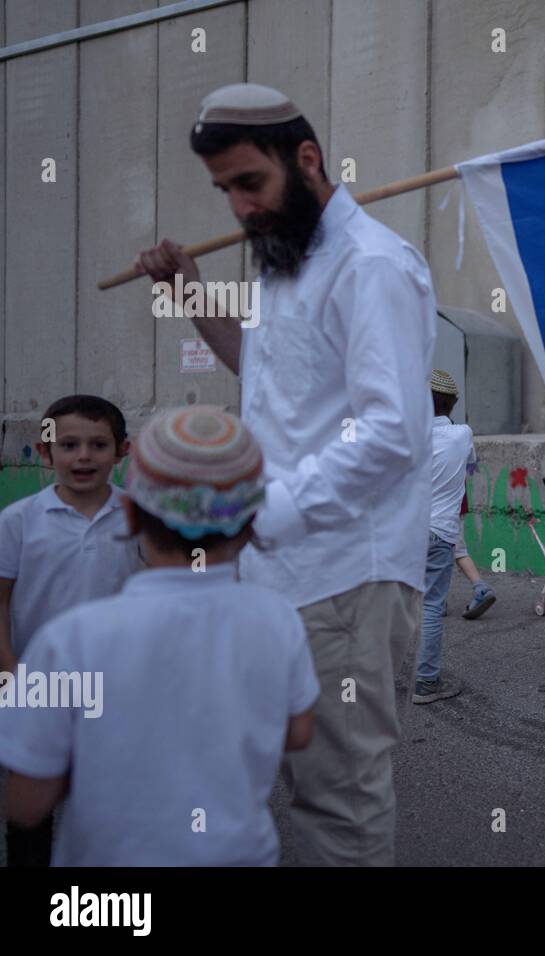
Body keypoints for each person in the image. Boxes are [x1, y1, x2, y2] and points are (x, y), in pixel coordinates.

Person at [133, 83, 435, 864]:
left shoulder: (372, 266)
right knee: (279, 784)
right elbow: (269, 383)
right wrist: (190, 297)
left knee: (339, 805)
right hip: (280, 577)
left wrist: (260, 512)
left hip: (344, 581)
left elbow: (392, 434)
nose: (238, 209)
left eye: (250, 183)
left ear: (305, 160)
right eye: (225, 190)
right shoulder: (286, 265)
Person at [0, 407, 319, 865]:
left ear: (129, 514)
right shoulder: (278, 620)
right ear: (251, 523)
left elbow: (27, 803)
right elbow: (299, 731)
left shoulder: (69, 640)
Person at [0, 395, 143, 866]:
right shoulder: (17, 522)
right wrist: (10, 671)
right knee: (31, 810)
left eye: (98, 445)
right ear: (44, 453)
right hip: (38, 683)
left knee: (109, 803)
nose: (83, 456)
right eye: (69, 445)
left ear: (122, 451)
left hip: (117, 685)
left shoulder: (138, 518)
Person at [413, 370, 479, 703]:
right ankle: (426, 682)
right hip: (439, 530)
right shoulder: (462, 434)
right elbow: (470, 467)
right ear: (452, 403)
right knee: (430, 607)